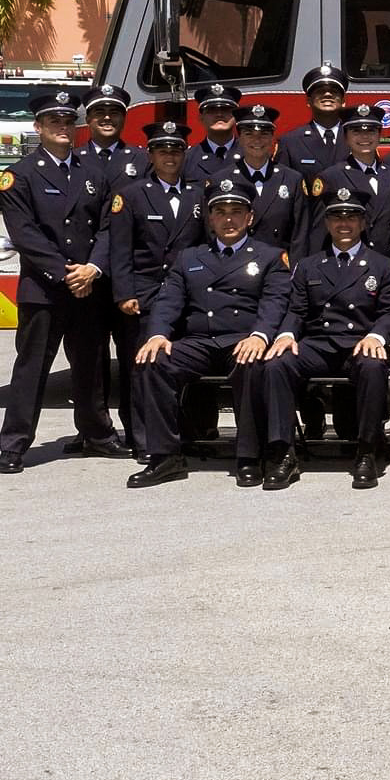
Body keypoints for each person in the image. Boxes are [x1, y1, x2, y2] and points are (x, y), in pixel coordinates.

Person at [0, 87, 127, 473]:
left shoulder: (93, 174)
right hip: (46, 289)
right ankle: (15, 444)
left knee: (91, 366)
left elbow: (107, 228)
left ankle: (97, 434)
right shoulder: (18, 175)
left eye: (69, 121)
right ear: (39, 127)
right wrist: (66, 272)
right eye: (55, 121)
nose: (64, 127)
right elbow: (25, 234)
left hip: (87, 285)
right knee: (32, 368)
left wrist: (93, 269)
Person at [125, 180, 291, 489]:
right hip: (199, 341)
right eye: (221, 212)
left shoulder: (269, 257)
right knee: (152, 361)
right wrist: (158, 334)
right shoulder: (190, 257)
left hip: (241, 339)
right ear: (210, 218)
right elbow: (169, 301)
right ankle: (165, 456)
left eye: (236, 212)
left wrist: (260, 335)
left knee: (252, 364)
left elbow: (275, 301)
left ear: (250, 217)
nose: (229, 219)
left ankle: (249, 457)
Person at [261, 186, 390, 490]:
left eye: (352, 217)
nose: (344, 223)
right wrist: (286, 334)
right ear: (327, 223)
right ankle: (282, 452)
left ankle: (367, 450)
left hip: (359, 343)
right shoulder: (308, 266)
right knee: (278, 363)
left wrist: (377, 336)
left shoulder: (383, 266)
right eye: (337, 217)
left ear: (363, 223)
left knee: (372, 365)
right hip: (319, 343)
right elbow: (297, 310)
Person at [104, 120, 202, 449]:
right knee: (142, 369)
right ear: (150, 154)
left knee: (178, 368)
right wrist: (125, 293)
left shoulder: (199, 193)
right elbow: (120, 249)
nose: (170, 157)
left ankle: (183, 434)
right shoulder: (131, 195)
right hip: (144, 294)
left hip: (186, 294)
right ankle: (142, 438)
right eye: (162, 150)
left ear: (185, 153)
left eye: (175, 150)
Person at [83, 83, 151, 449]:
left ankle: (138, 433)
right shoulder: (75, 159)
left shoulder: (141, 160)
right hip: (86, 280)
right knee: (90, 360)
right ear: (89, 119)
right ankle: (94, 432)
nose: (107, 119)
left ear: (124, 118)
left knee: (132, 359)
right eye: (99, 113)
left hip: (127, 274)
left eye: (114, 113)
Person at [301, 102, 390, 260]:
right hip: (346, 265)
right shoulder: (330, 177)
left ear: (379, 135)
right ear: (346, 138)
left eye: (371, 131)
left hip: (387, 266)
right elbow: (318, 233)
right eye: (356, 131)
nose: (364, 137)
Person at [226, 104, 302, 249]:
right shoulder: (222, 180)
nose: (257, 140)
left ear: (273, 138)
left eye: (264, 134)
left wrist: (293, 269)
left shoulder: (292, 179)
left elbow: (300, 234)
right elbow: (212, 231)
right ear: (240, 139)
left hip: (279, 265)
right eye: (249, 134)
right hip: (236, 265)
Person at [275, 63, 351, 178]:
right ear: (308, 101)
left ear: (343, 101)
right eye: (320, 91)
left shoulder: (358, 138)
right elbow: (282, 182)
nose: (327, 94)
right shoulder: (290, 142)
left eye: (334, 91)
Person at [183, 82, 244, 182]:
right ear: (201, 118)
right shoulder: (188, 158)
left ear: (235, 116)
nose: (219, 114)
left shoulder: (250, 154)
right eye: (211, 110)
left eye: (225, 109)